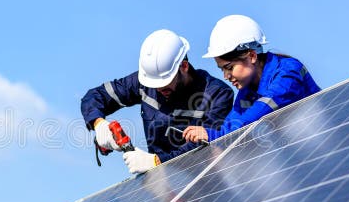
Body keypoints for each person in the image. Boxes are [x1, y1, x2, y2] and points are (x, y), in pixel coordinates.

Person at [81, 29, 234, 174]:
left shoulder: (217, 94)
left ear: (184, 67)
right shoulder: (146, 82)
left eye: (164, 82)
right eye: (154, 84)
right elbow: (96, 95)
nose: (158, 88)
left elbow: (207, 143)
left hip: (205, 181)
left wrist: (157, 161)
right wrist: (98, 123)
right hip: (161, 183)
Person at [182, 15, 321, 143]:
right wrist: (215, 140)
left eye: (229, 68)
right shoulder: (247, 93)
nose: (226, 76)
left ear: (252, 56)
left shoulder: (288, 72)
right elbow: (233, 123)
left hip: (324, 142)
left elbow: (258, 112)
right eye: (222, 69)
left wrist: (214, 136)